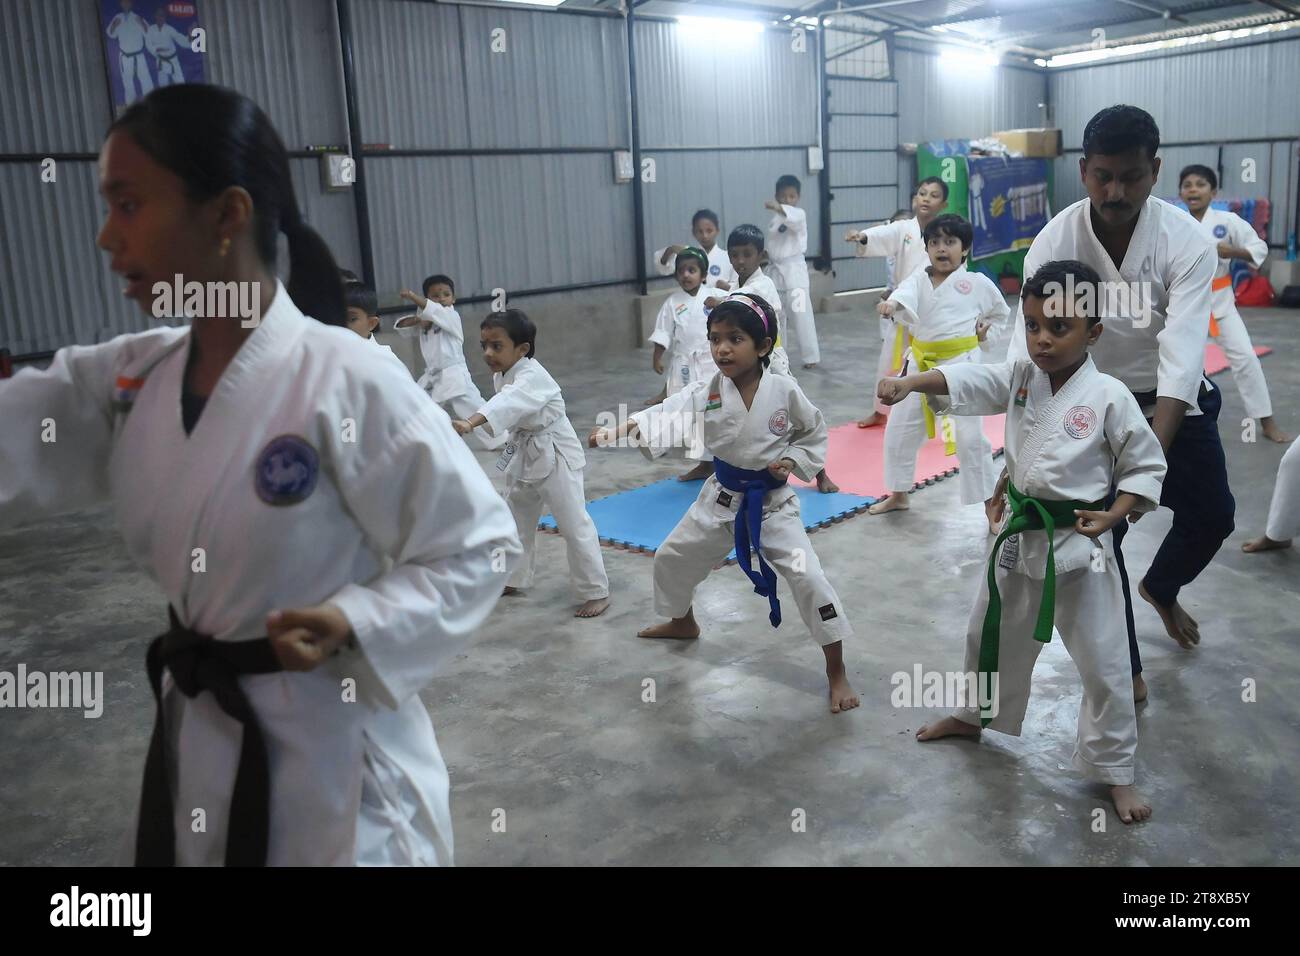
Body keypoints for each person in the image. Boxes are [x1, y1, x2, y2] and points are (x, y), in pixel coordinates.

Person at [0, 84, 522, 865]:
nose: (107, 236)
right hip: (204, 740)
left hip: (339, 778)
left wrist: (359, 620)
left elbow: (478, 545)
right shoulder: (133, 380)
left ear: (226, 215)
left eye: (129, 204)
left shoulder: (345, 377)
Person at [891, 260, 1166, 824]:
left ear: (1093, 332)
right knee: (987, 633)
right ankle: (973, 716)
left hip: (1080, 549)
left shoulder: (1110, 396)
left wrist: (1115, 515)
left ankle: (1115, 771)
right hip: (1018, 539)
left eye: (1059, 328)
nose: (1042, 339)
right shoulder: (1020, 376)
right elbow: (971, 382)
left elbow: (1144, 464)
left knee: (1104, 661)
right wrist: (913, 382)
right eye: (1034, 324)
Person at [1003, 105, 1224, 703]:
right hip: (1086, 396)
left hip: (1169, 398)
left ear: (1155, 170)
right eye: (1103, 176)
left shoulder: (1187, 241)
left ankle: (1164, 585)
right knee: (1102, 543)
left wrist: (1144, 467)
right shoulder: (1056, 241)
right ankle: (1126, 670)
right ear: (1083, 170)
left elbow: (1182, 357)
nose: (1115, 190)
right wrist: (1012, 461)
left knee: (1214, 515)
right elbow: (1027, 354)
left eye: (1130, 176)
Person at [590, 294, 859, 714]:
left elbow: (813, 432)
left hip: (771, 504)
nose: (722, 349)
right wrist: (620, 430)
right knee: (671, 557)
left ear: (764, 346)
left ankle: (836, 671)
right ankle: (683, 621)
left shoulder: (785, 391)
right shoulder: (708, 390)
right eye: (715, 339)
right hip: (719, 498)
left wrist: (792, 460)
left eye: (735, 339)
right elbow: (667, 411)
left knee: (812, 582)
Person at [452, 310, 611, 619]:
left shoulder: (532, 376)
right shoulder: (503, 374)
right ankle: (513, 577)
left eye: (496, 346)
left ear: (522, 349)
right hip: (524, 451)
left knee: (573, 523)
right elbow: (508, 405)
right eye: (484, 345)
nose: (487, 353)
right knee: (515, 519)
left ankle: (596, 590)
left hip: (556, 454)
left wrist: (471, 422)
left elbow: (508, 402)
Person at [867, 214, 1007, 531]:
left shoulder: (978, 284)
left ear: (965, 249)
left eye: (950, 242)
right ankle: (899, 493)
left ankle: (990, 505)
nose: (942, 249)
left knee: (970, 438)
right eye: (935, 243)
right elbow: (903, 297)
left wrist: (986, 333)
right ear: (926, 248)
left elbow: (1000, 315)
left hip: (962, 367)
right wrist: (892, 305)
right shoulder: (918, 278)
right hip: (919, 365)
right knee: (899, 430)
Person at [1178, 164, 1290, 443]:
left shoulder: (1227, 221)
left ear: (1213, 191)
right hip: (1185, 304)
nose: (1193, 189)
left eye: (1201, 184)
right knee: (1181, 363)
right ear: (1181, 192)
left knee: (1246, 358)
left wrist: (1235, 251)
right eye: (1188, 184)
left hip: (1221, 303)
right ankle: (1178, 418)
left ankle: (1266, 421)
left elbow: (1258, 249)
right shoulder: (1174, 222)